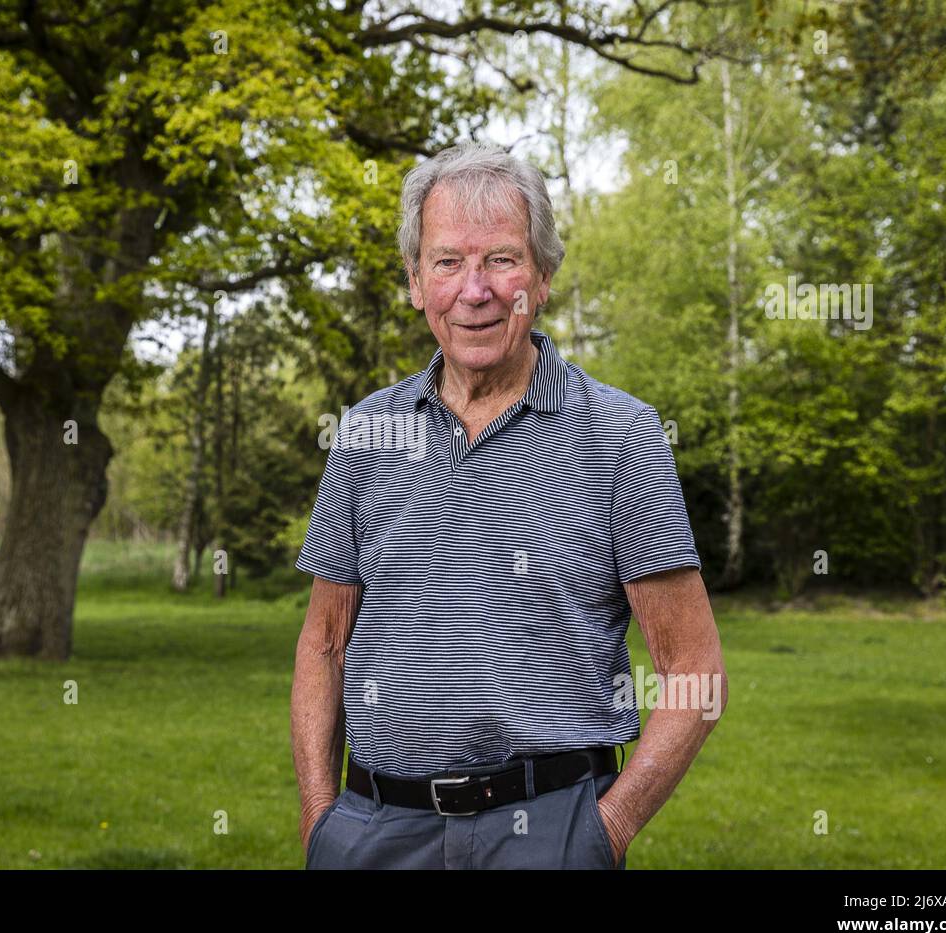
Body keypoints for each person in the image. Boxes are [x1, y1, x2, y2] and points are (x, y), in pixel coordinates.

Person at [290, 141, 727, 869]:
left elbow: (694, 667)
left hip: (550, 832)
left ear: (544, 276)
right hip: (373, 833)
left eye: (501, 259)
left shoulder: (619, 434)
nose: (475, 288)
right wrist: (321, 828)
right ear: (414, 281)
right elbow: (324, 643)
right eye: (447, 261)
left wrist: (604, 832)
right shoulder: (366, 432)